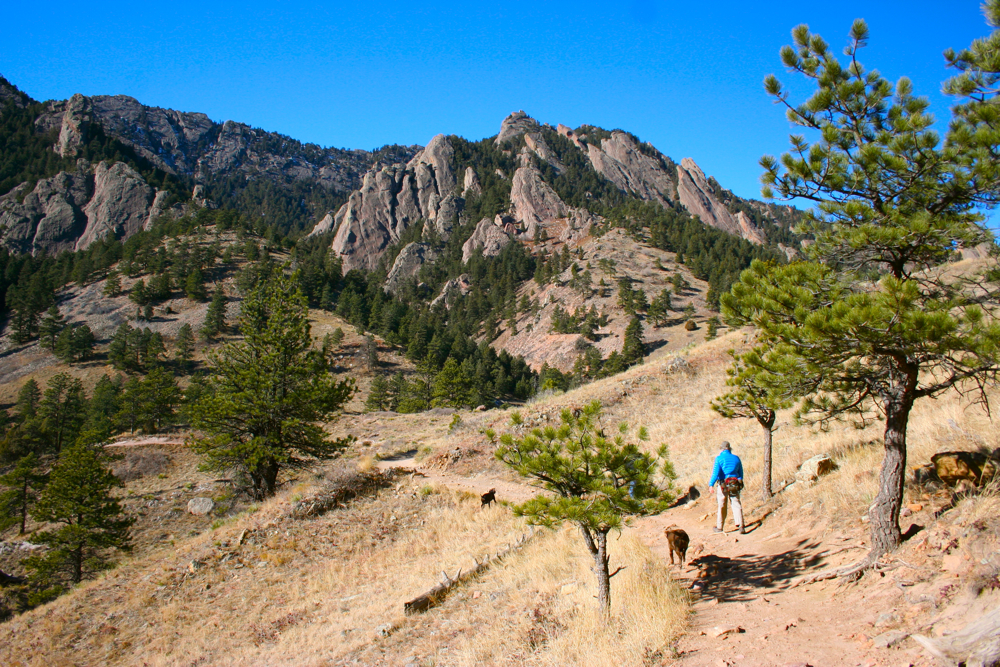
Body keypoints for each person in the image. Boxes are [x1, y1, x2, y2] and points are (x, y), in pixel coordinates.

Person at [709, 441, 744, 534]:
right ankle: (741, 525)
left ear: (721, 449)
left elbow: (715, 473)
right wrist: (739, 481)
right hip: (734, 483)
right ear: (729, 448)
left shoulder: (719, 458)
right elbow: (741, 473)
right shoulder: (736, 458)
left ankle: (720, 527)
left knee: (722, 505)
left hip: (723, 484)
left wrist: (711, 484)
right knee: (736, 503)